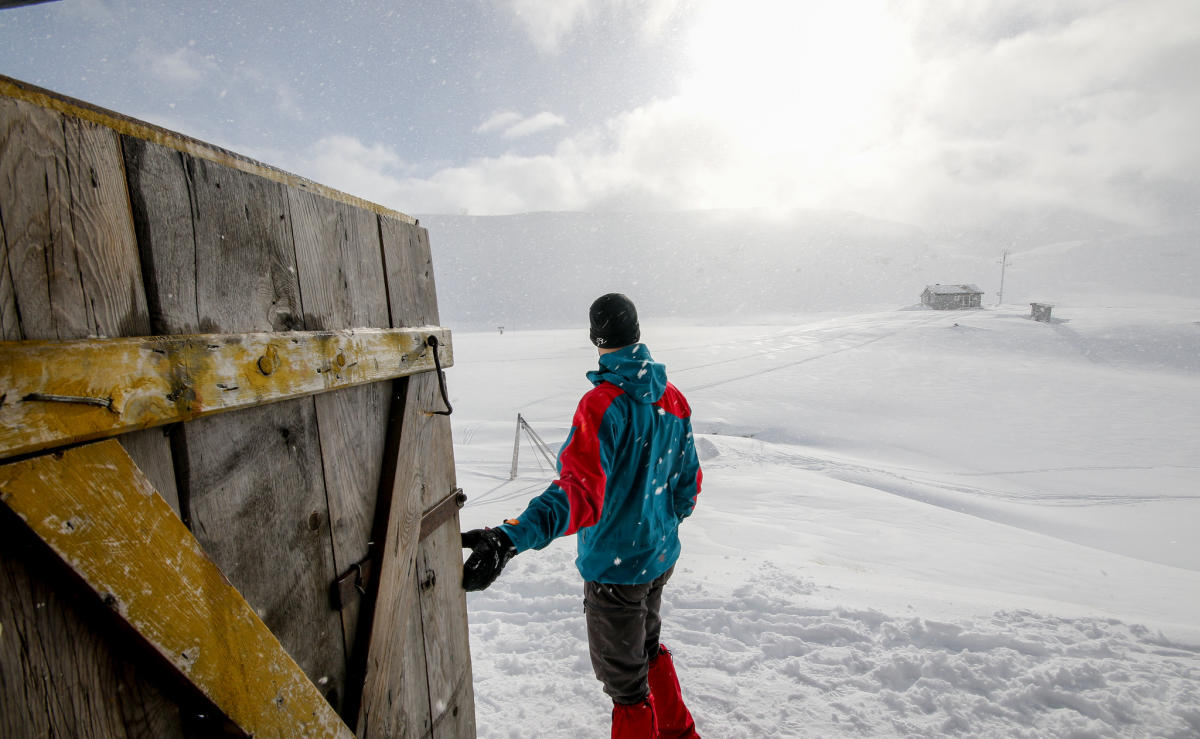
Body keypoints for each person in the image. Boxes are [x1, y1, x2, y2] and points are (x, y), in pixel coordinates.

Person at [461, 293, 703, 738]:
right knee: (647, 649)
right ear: (637, 332)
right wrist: (657, 528)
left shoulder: (603, 405)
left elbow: (578, 495)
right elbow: (687, 487)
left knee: (627, 687)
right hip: (657, 560)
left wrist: (510, 536)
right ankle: (681, 733)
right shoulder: (673, 399)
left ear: (596, 339)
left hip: (616, 571)